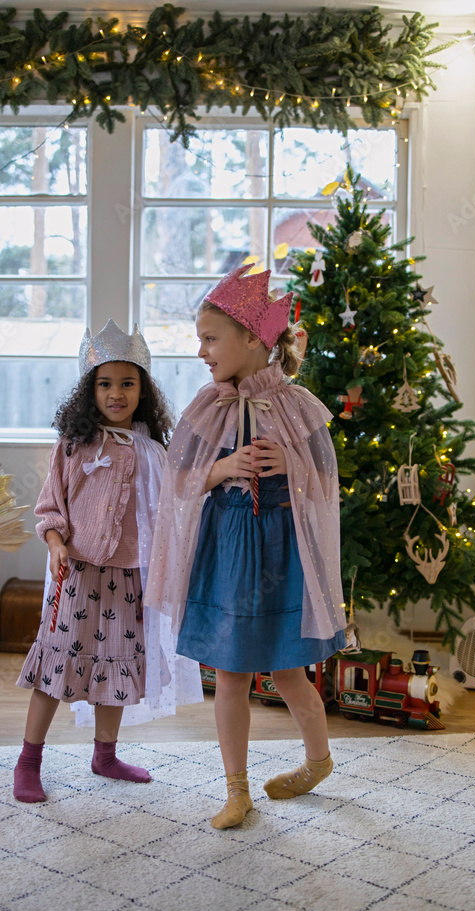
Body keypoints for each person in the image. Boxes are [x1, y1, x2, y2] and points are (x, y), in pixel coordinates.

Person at [146, 265, 346, 829]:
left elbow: (325, 484)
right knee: (230, 674)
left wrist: (292, 465)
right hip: (228, 549)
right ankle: (237, 790)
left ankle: (318, 762)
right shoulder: (206, 407)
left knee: (289, 672)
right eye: (200, 340)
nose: (203, 352)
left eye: (211, 339)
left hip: (283, 552)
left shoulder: (298, 404)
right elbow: (177, 482)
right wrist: (223, 468)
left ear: (254, 341)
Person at [13, 319, 202, 803]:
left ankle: (105, 754)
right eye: (104, 383)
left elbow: (169, 512)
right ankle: (28, 760)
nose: (115, 393)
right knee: (57, 666)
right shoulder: (74, 446)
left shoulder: (154, 452)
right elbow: (49, 508)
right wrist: (55, 544)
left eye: (127, 383)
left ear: (143, 389)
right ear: (89, 388)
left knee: (115, 668)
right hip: (75, 574)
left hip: (129, 577)